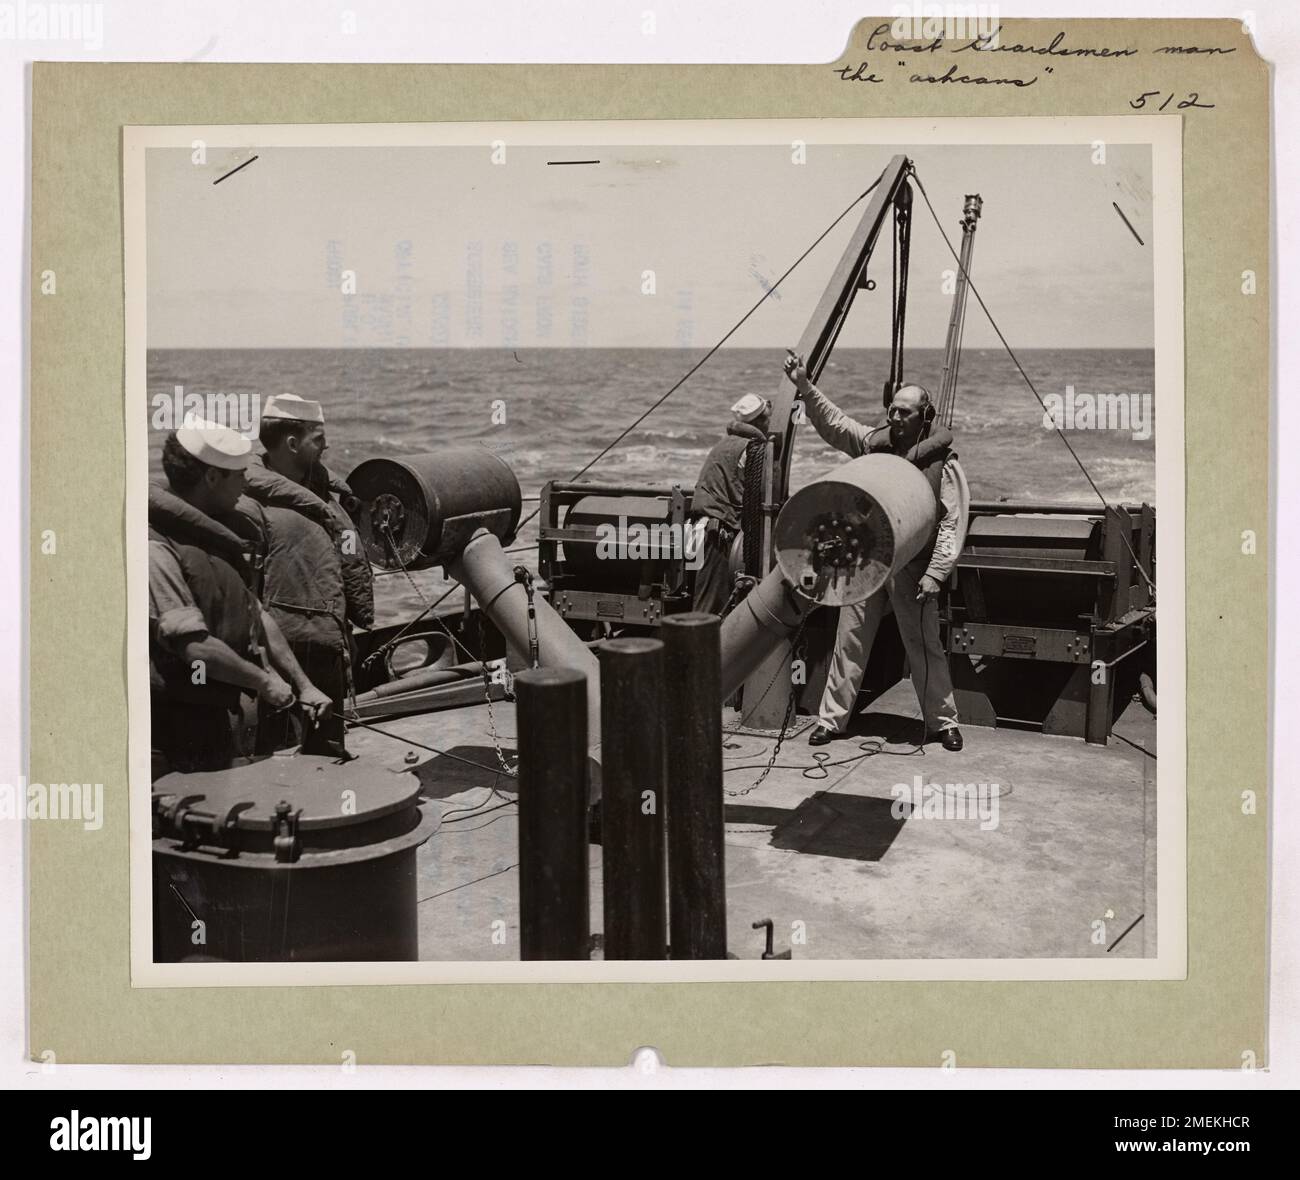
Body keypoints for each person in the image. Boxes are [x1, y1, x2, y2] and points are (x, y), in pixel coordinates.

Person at [783, 356, 966, 752]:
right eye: (893, 410)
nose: (897, 418)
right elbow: (836, 424)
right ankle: (832, 720)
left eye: (906, 412)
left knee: (923, 644)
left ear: (925, 416)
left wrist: (936, 573)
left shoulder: (943, 464)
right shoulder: (873, 445)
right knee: (848, 641)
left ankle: (943, 722)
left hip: (914, 566)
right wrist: (804, 384)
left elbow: (952, 522)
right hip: (868, 562)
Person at [148, 420, 333, 778]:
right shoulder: (157, 546)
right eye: (238, 475)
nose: (247, 483)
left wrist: (304, 685)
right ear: (212, 478)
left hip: (224, 717)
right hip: (177, 728)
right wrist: (263, 682)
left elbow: (257, 614)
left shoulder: (215, 532)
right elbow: (194, 647)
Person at [238, 393, 374, 757]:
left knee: (327, 755)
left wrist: (345, 630)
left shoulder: (324, 493)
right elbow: (247, 600)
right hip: (286, 653)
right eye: (319, 439)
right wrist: (271, 673)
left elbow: (339, 563)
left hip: (329, 643)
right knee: (281, 761)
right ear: (292, 443)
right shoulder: (251, 506)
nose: (327, 446)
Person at [690, 393, 771, 616]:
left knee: (710, 602)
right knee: (711, 608)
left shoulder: (724, 444)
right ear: (759, 422)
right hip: (720, 534)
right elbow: (762, 497)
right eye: (768, 419)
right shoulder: (752, 449)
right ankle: (697, 649)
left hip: (705, 527)